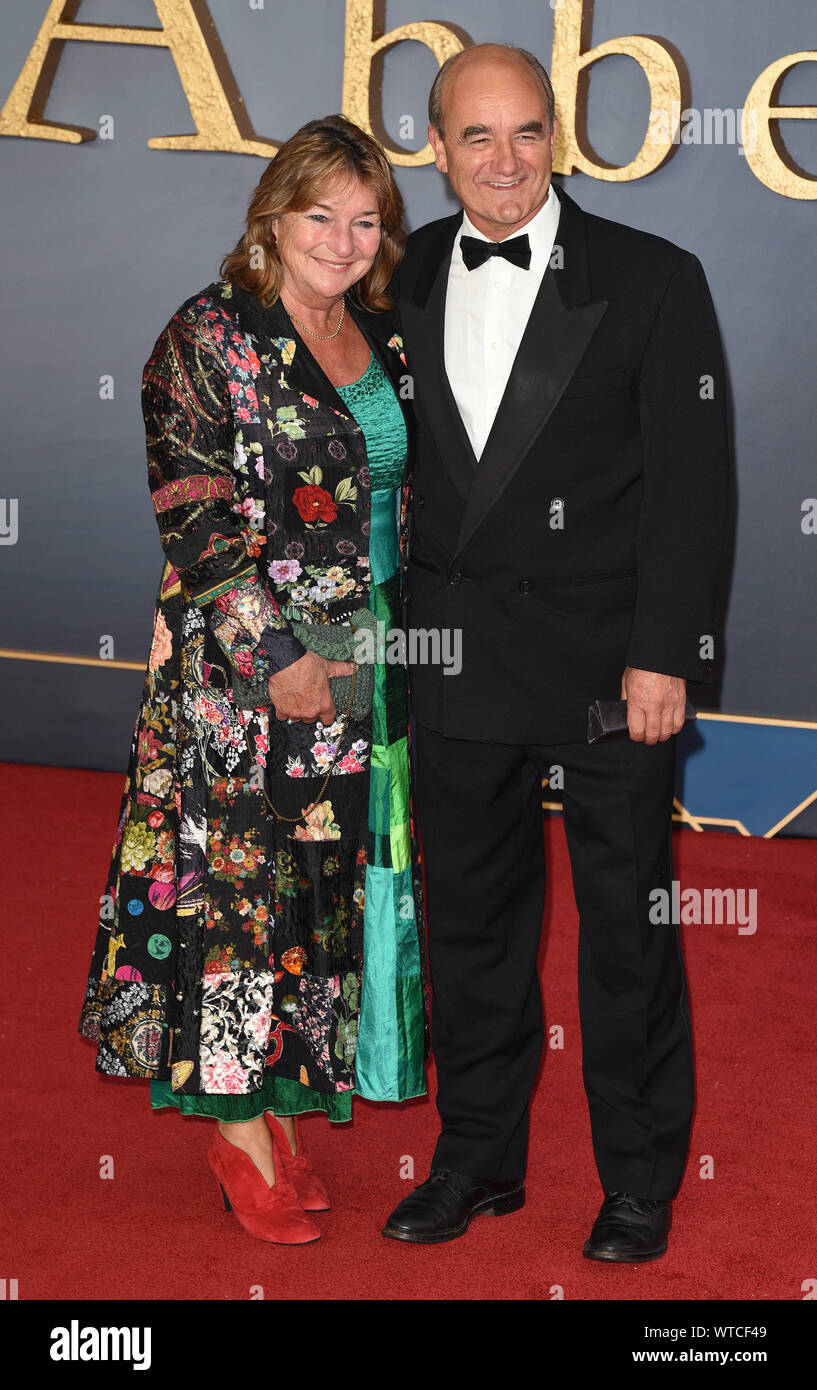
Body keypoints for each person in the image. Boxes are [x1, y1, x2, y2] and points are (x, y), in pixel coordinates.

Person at [382, 44, 729, 1260]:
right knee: (471, 925)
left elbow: (693, 490)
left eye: (526, 133)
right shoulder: (400, 272)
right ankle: (477, 1158)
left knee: (626, 927)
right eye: (475, 138)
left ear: (558, 137)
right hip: (454, 657)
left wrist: (661, 655)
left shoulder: (650, 278)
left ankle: (637, 1177)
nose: (504, 162)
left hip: (604, 671)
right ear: (435, 150)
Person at [78, 114, 428, 1244]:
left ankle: (281, 1101)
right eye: (319, 213)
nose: (342, 238)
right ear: (271, 216)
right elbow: (193, 511)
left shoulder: (383, 329)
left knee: (311, 897)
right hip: (245, 675)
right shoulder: (209, 334)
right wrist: (273, 656)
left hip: (367, 658)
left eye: (365, 218)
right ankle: (234, 1133)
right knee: (235, 886)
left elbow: (404, 497)